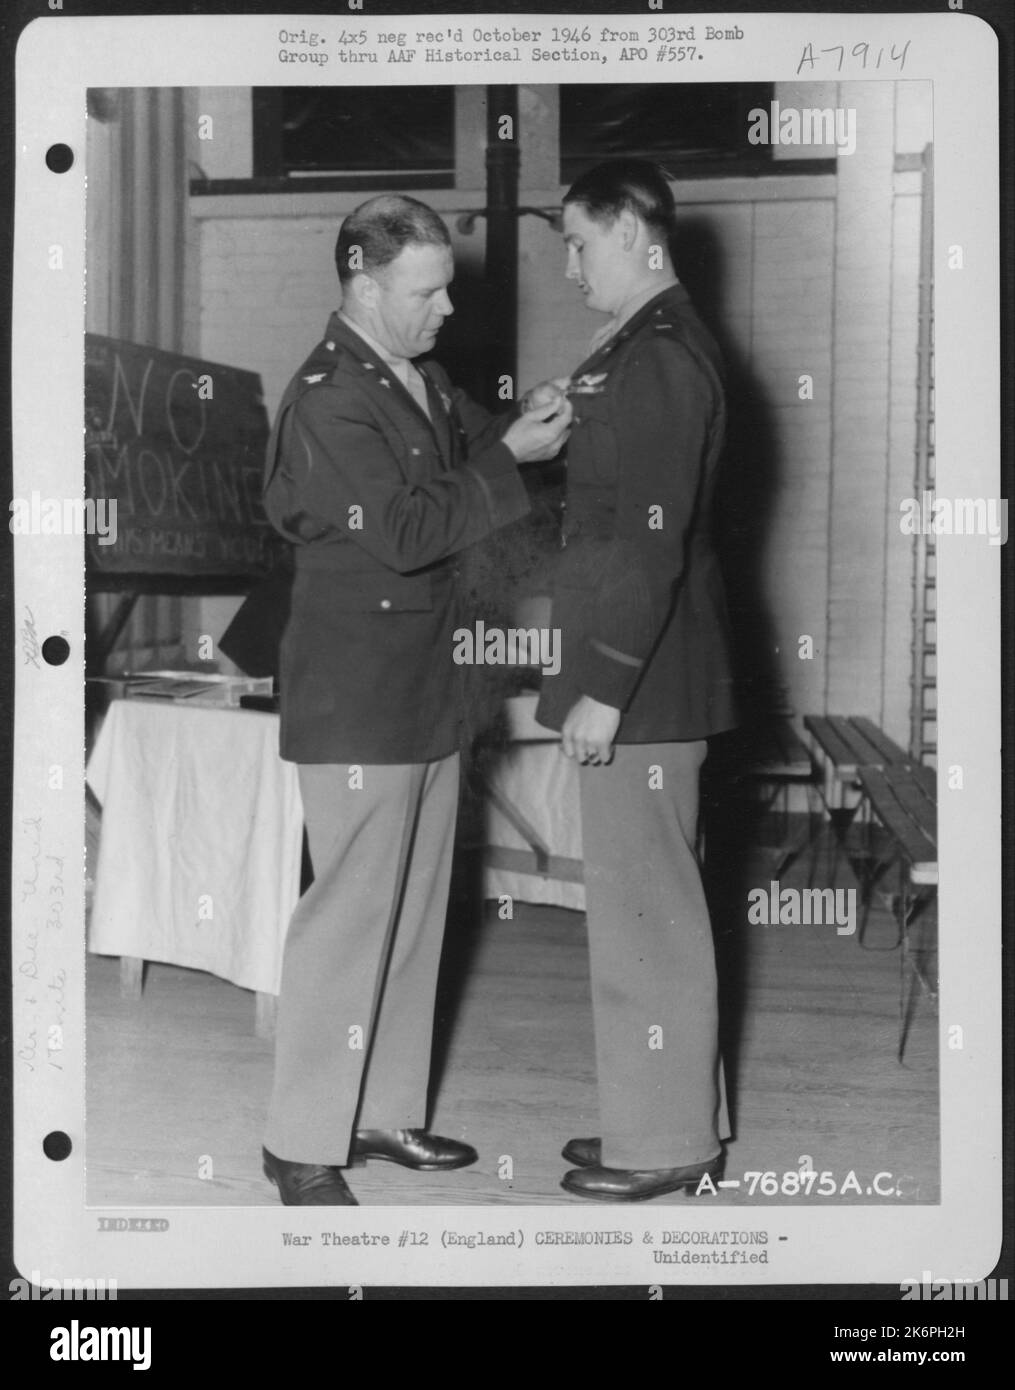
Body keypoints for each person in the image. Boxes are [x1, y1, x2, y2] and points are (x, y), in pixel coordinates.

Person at [260, 194, 571, 1205]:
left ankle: (384, 1110)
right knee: (348, 917)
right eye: (425, 290)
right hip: (358, 700)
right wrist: (509, 458)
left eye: (445, 286)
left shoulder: (421, 380)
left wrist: (553, 420)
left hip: (431, 689)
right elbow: (399, 528)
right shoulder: (326, 397)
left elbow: (499, 455)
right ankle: (300, 1141)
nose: (445, 308)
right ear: (361, 278)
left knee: (414, 915)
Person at [531, 159, 739, 1201]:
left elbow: (651, 543)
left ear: (630, 232)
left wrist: (603, 687)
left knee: (646, 917)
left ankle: (665, 1148)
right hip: (647, 666)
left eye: (577, 242)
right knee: (651, 904)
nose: (568, 267)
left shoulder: (658, 357)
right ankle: (659, 1114)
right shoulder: (641, 347)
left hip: (644, 678)